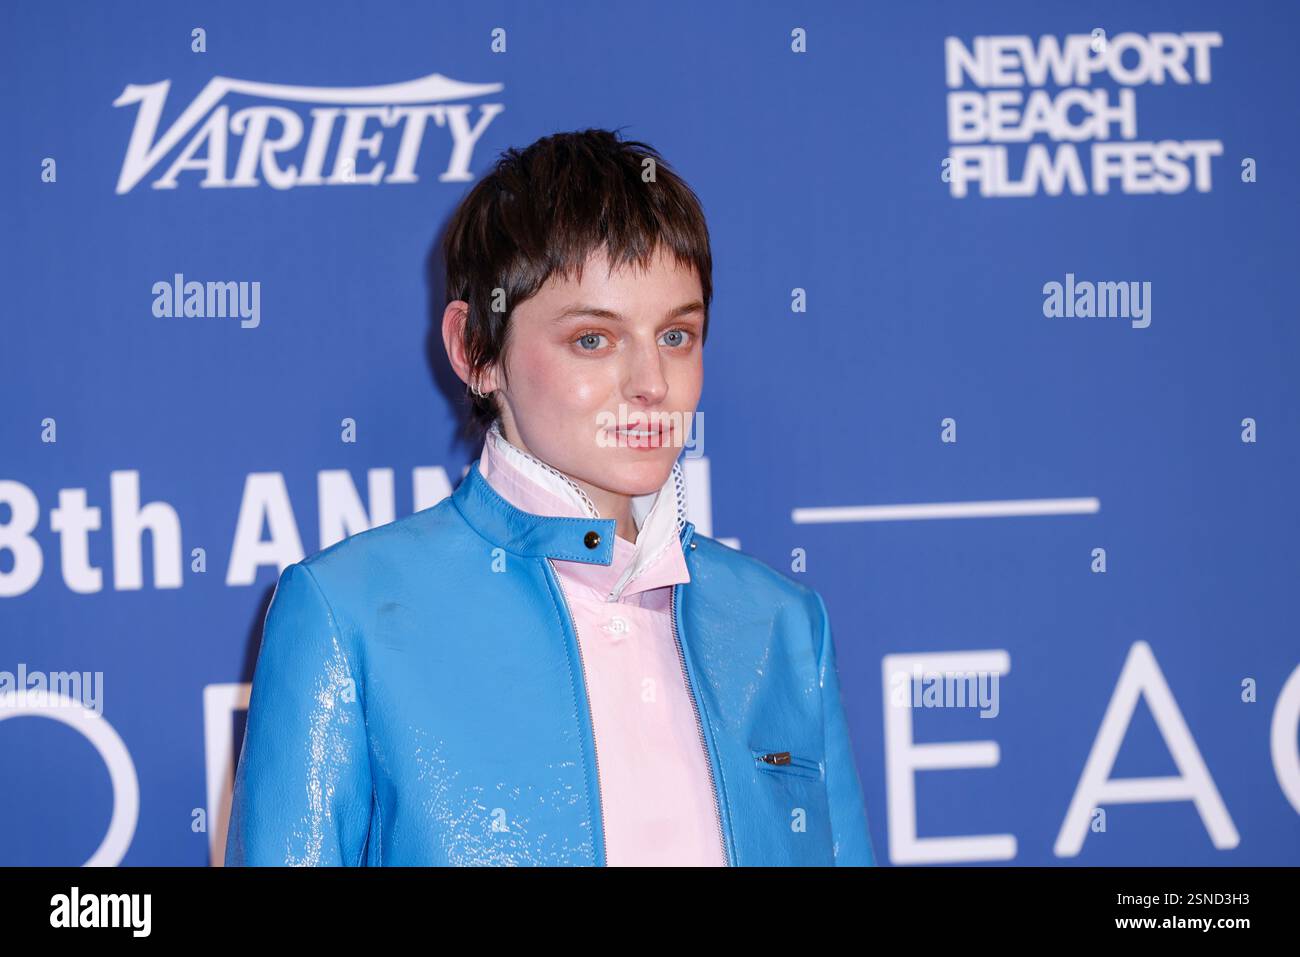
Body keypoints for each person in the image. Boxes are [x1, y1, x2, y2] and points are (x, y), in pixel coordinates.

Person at [224, 129, 875, 866]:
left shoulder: (781, 625)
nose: (652, 384)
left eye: (677, 335)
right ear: (475, 350)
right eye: (593, 339)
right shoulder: (347, 615)